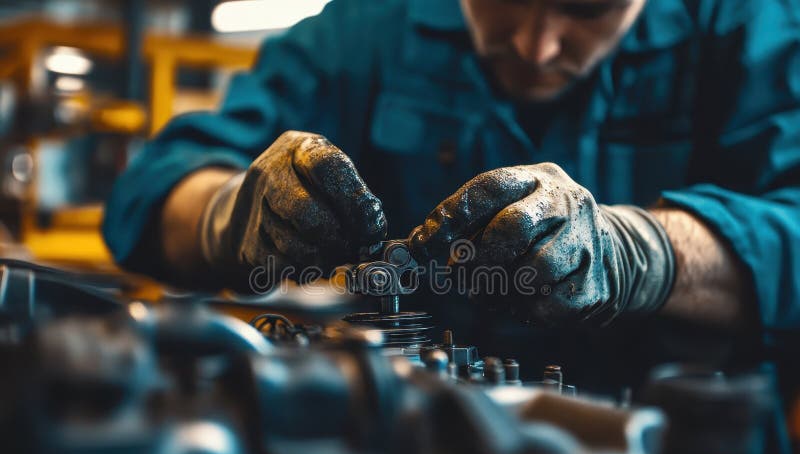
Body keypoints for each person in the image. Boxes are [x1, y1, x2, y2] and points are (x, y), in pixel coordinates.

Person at [103, 0, 800, 393]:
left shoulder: (746, 29)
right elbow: (150, 191)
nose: (535, 45)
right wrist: (228, 212)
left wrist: (642, 255)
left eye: (588, 8)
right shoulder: (362, 34)